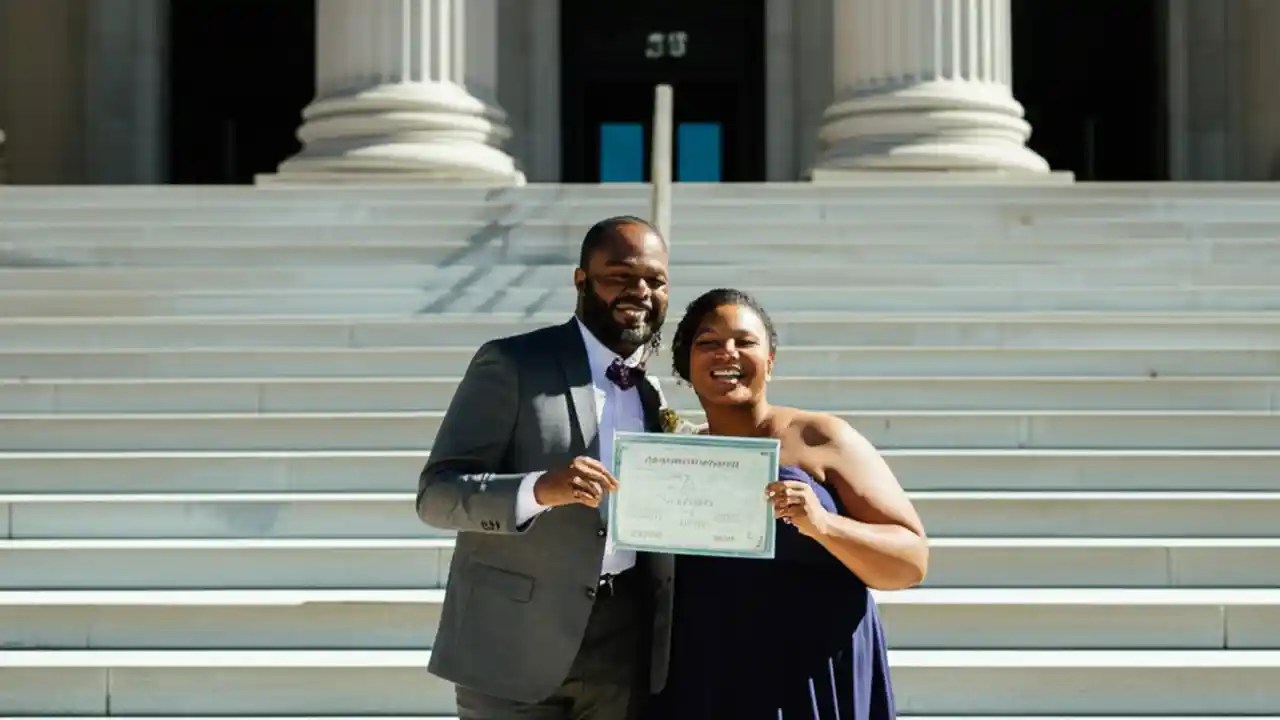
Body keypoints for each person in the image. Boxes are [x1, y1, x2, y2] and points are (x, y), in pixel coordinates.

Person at [416, 216, 675, 719]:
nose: (639, 291)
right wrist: (538, 490)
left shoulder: (652, 391)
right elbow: (437, 494)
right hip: (512, 645)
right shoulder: (513, 363)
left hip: (626, 648)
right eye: (619, 275)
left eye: (655, 280)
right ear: (581, 281)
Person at [647, 288, 929, 720]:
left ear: (771, 361)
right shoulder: (679, 458)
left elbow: (911, 560)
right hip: (710, 674)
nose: (727, 353)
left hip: (812, 675)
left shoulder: (820, 437)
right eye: (708, 343)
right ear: (686, 365)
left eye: (745, 341)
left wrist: (823, 525)